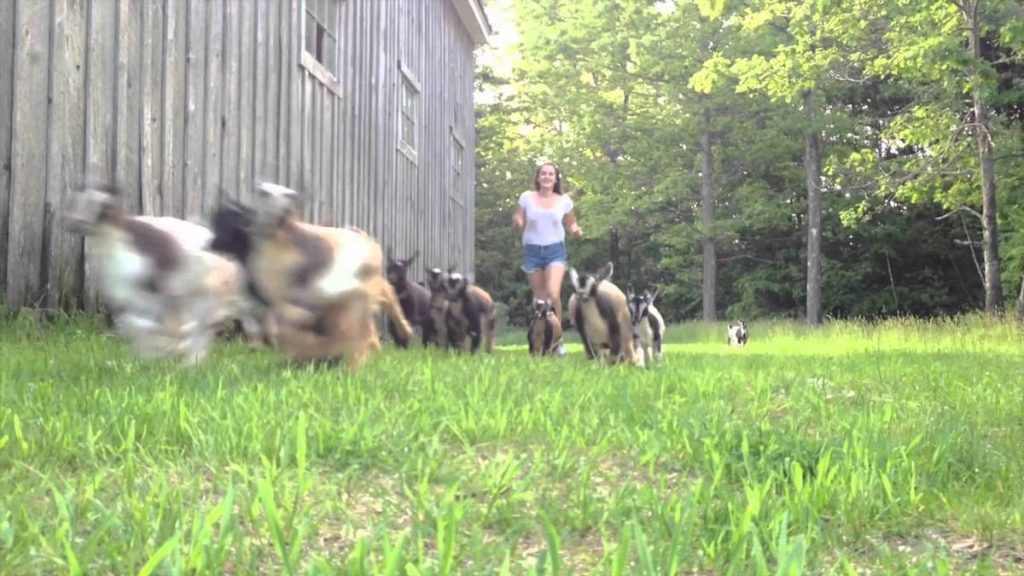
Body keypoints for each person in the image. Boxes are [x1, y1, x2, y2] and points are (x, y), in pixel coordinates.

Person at [513, 163, 583, 355]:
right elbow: (518, 217)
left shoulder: (564, 200)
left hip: (555, 251)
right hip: (532, 251)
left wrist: (575, 230)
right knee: (541, 300)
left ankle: (557, 341)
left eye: (550, 174)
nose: (547, 176)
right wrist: (518, 223)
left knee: (553, 294)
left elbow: (571, 223)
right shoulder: (526, 197)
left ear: (556, 178)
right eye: (543, 173)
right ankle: (540, 340)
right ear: (538, 178)